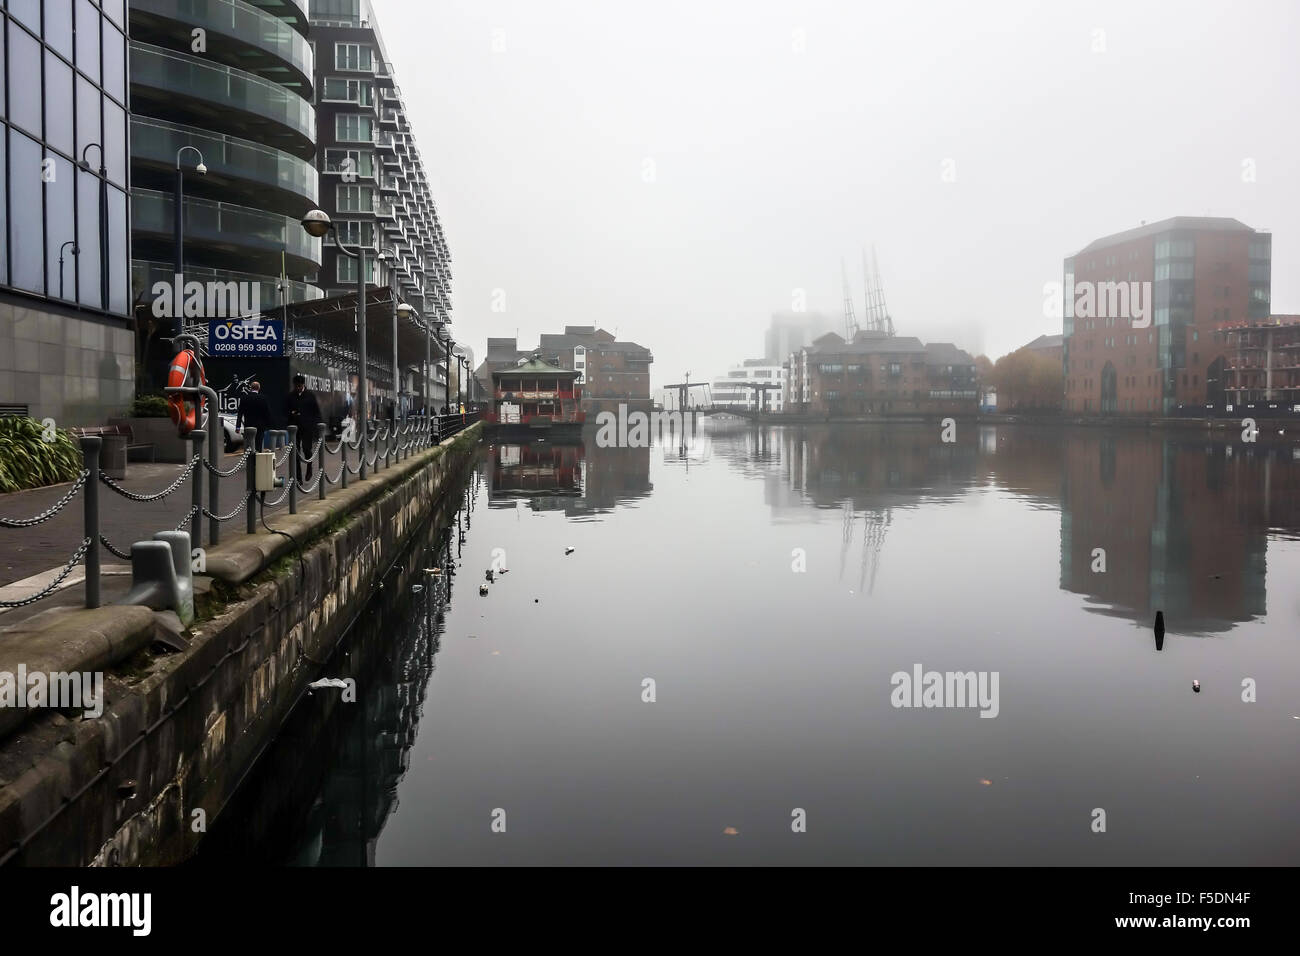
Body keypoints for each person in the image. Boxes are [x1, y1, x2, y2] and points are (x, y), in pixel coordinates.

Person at [286, 374, 322, 482]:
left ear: (303, 385)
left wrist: (316, 426)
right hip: (294, 428)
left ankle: (309, 468)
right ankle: (298, 477)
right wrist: (291, 414)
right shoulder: (290, 396)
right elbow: (285, 410)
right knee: (295, 452)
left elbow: (316, 411)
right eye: (296, 386)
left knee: (307, 449)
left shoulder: (310, 395)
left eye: (299, 386)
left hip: (307, 426)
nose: (297, 388)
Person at [235, 381, 272, 450]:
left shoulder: (244, 398)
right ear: (259, 388)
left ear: (251, 388)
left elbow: (240, 413)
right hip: (260, 426)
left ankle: (249, 460)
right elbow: (267, 413)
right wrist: (268, 426)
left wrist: (238, 426)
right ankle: (257, 459)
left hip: (249, 425)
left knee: (249, 446)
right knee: (259, 445)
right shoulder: (263, 398)